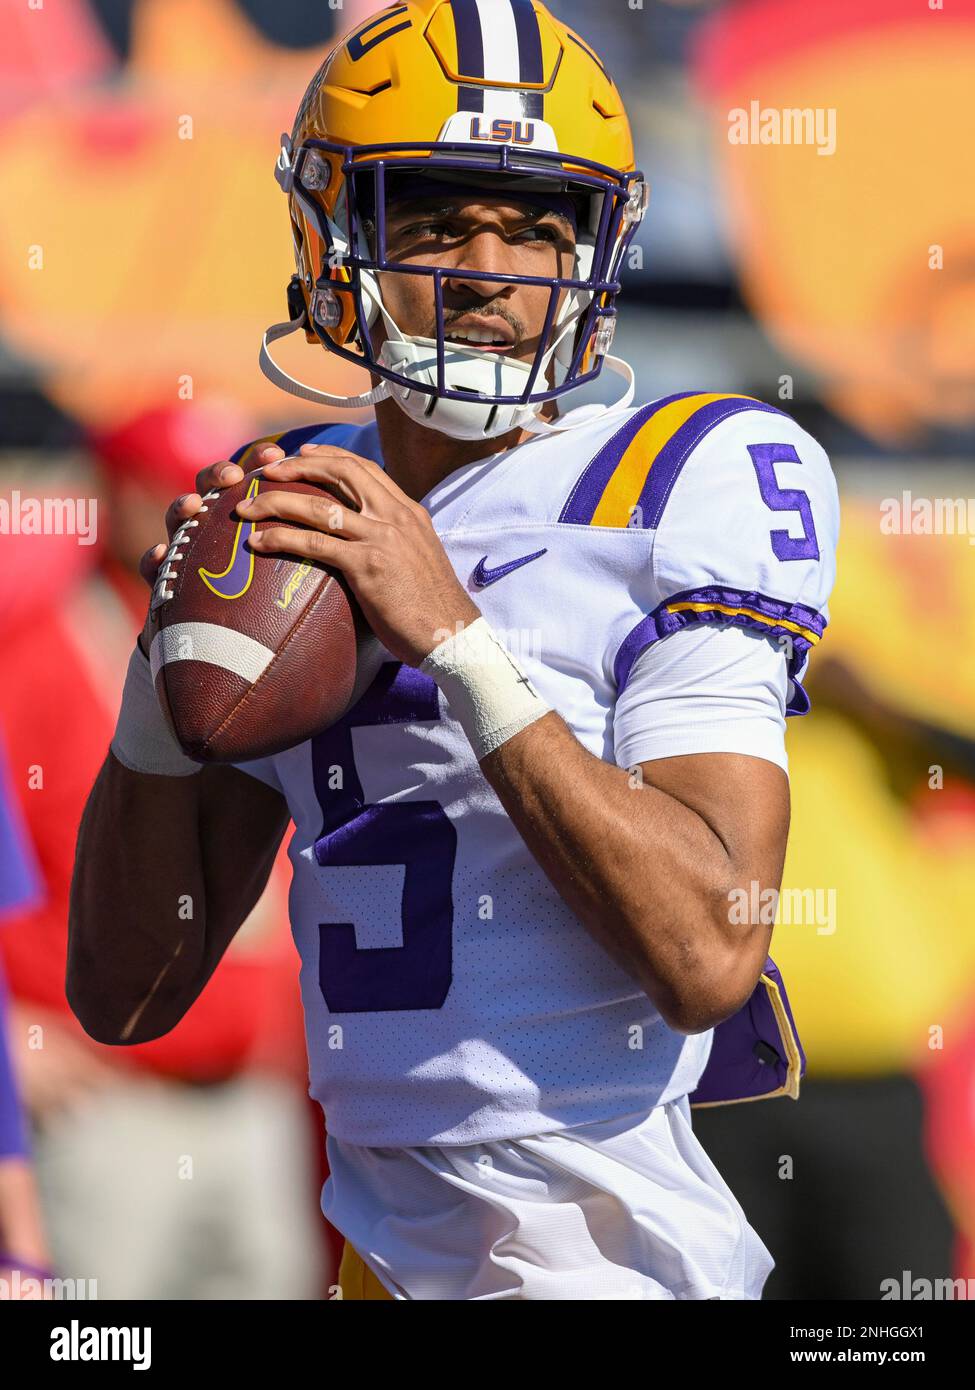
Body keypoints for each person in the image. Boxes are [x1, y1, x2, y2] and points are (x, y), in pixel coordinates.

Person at [67, 0, 838, 1300]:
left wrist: (458, 641)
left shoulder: (679, 471)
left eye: (538, 224)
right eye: (435, 217)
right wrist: (165, 673)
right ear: (334, 237)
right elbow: (127, 991)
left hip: (612, 1265)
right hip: (377, 1255)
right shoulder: (301, 509)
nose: (492, 268)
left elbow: (711, 949)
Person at [1, 403, 323, 1299]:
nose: (205, 521)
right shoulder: (35, 654)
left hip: (249, 1085)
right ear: (116, 492)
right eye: (170, 492)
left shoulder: (264, 643)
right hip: (102, 1099)